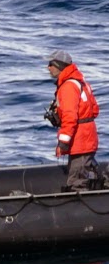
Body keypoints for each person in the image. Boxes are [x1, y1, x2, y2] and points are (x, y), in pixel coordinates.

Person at [46, 50, 99, 191]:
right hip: (87, 137)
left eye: (51, 64)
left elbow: (70, 117)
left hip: (80, 140)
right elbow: (94, 110)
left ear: (59, 65)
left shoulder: (68, 87)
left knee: (76, 182)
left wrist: (63, 143)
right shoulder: (81, 82)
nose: (48, 68)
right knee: (84, 170)